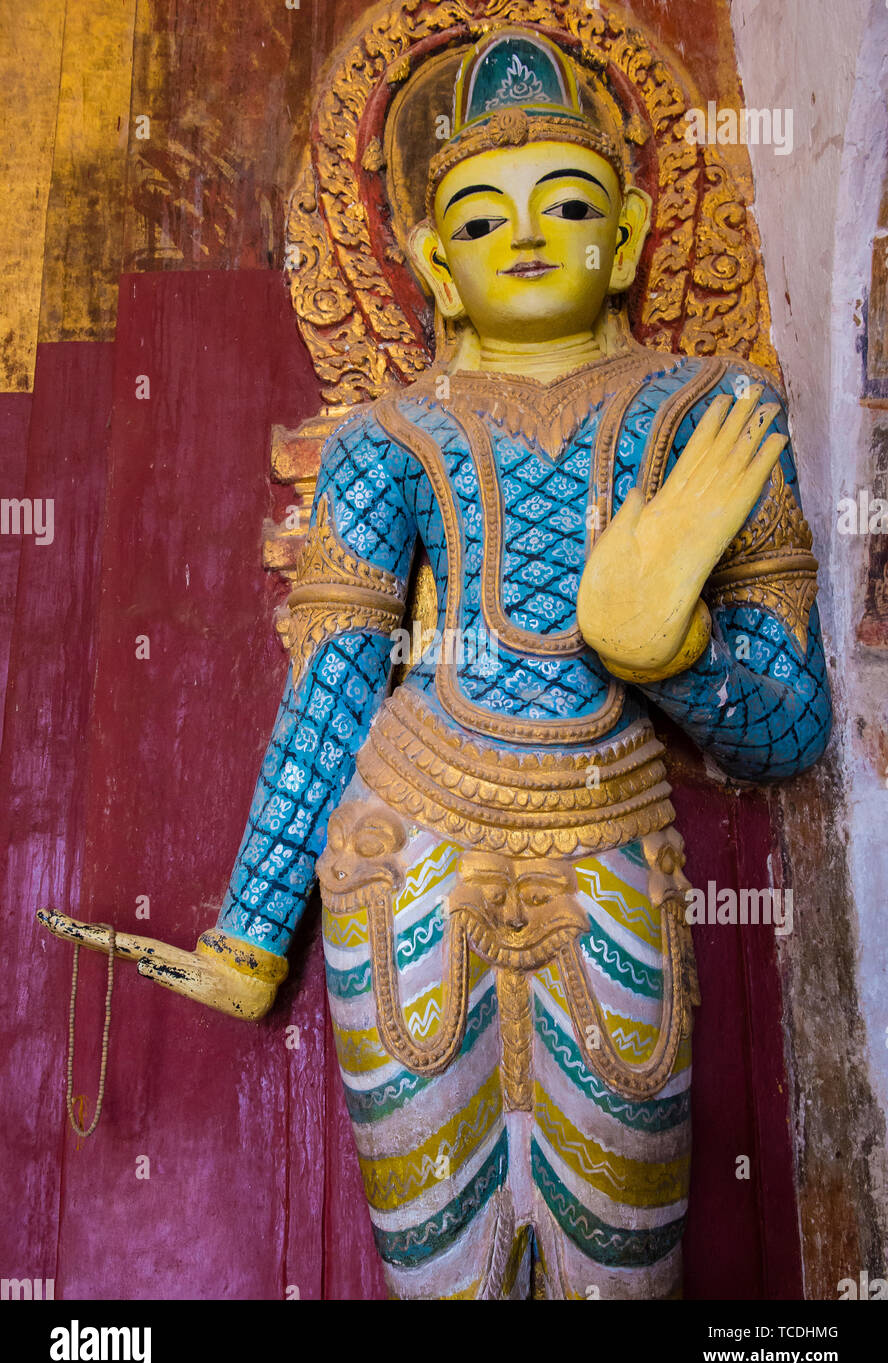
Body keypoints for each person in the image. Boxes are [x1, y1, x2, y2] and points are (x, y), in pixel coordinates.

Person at [41, 28, 831, 1299]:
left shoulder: (713, 420)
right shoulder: (390, 440)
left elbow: (789, 731)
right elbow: (333, 686)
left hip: (609, 849)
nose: (523, 234)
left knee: (622, 1266)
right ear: (432, 265)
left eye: (566, 203)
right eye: (479, 215)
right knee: (441, 1268)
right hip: (401, 858)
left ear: (627, 238)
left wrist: (671, 648)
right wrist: (253, 932)